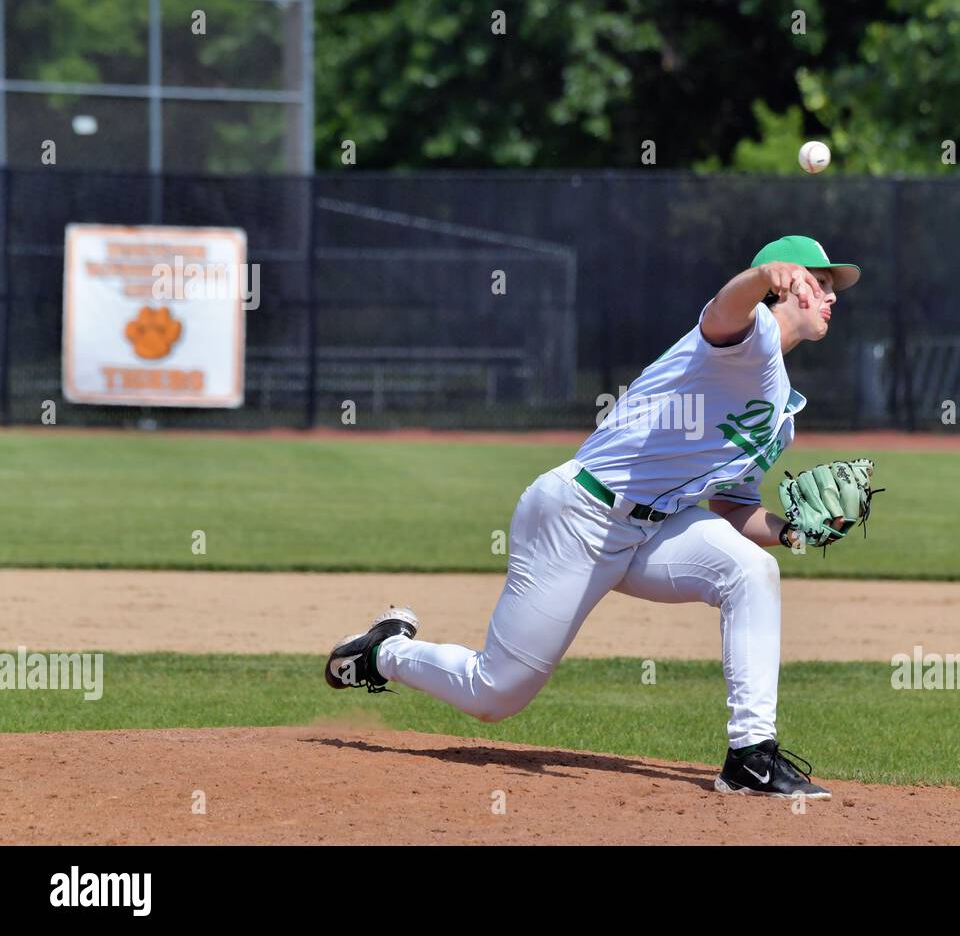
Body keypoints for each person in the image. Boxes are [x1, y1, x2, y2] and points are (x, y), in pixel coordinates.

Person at [326, 235, 873, 800]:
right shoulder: (748, 334)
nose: (831, 297)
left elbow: (733, 506)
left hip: (654, 527)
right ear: (785, 284)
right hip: (578, 515)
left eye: (834, 288)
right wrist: (762, 277)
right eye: (822, 282)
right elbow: (722, 310)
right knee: (495, 694)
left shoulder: (781, 415)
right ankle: (383, 651)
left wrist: (792, 530)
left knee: (752, 571)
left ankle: (750, 759)